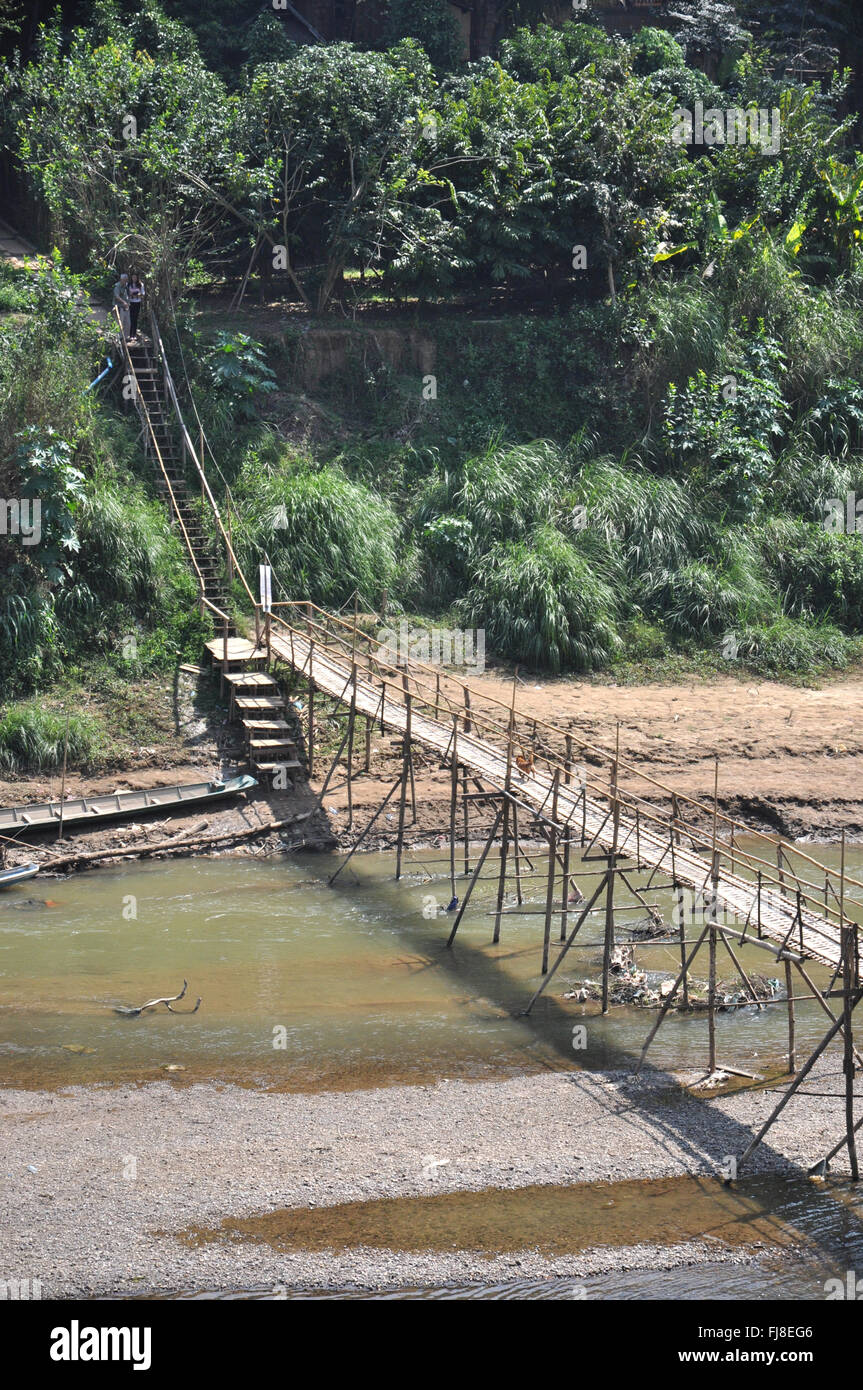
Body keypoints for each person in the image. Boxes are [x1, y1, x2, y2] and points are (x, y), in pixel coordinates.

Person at [112, 272, 130, 341]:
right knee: (119, 322)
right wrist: (124, 302)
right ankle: (118, 337)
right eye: (125, 280)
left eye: (127, 280)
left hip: (126, 307)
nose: (126, 281)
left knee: (128, 322)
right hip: (119, 307)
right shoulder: (117, 286)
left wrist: (128, 302)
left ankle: (126, 337)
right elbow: (117, 296)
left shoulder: (126, 286)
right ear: (121, 279)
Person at [127, 271, 144, 341]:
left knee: (135, 318)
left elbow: (143, 294)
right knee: (131, 318)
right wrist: (130, 294)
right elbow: (126, 293)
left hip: (137, 302)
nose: (134, 278)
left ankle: (134, 334)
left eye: (135, 277)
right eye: (133, 277)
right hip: (131, 302)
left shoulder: (140, 285)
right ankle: (130, 334)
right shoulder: (129, 284)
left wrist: (137, 295)